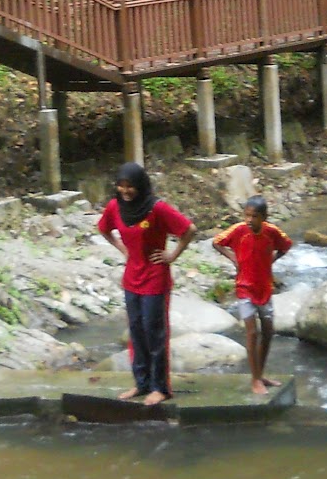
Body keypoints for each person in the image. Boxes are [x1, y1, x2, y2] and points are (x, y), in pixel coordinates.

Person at [97, 162, 195, 406]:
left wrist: (171, 255)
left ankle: (160, 387)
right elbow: (104, 229)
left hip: (155, 278)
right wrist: (123, 249)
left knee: (155, 333)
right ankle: (141, 383)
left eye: (130, 186)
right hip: (131, 278)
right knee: (136, 331)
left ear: (140, 185)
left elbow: (188, 229)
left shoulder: (157, 208)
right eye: (121, 185)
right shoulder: (115, 206)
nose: (125, 190)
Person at [213, 195, 293, 395]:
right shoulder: (239, 230)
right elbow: (216, 242)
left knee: (268, 331)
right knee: (251, 332)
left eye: (254, 216)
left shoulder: (272, 232)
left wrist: (271, 260)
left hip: (264, 288)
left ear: (264, 217)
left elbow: (286, 245)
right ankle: (255, 379)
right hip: (244, 287)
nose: (249, 220)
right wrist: (233, 258)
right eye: (246, 215)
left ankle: (260, 373)